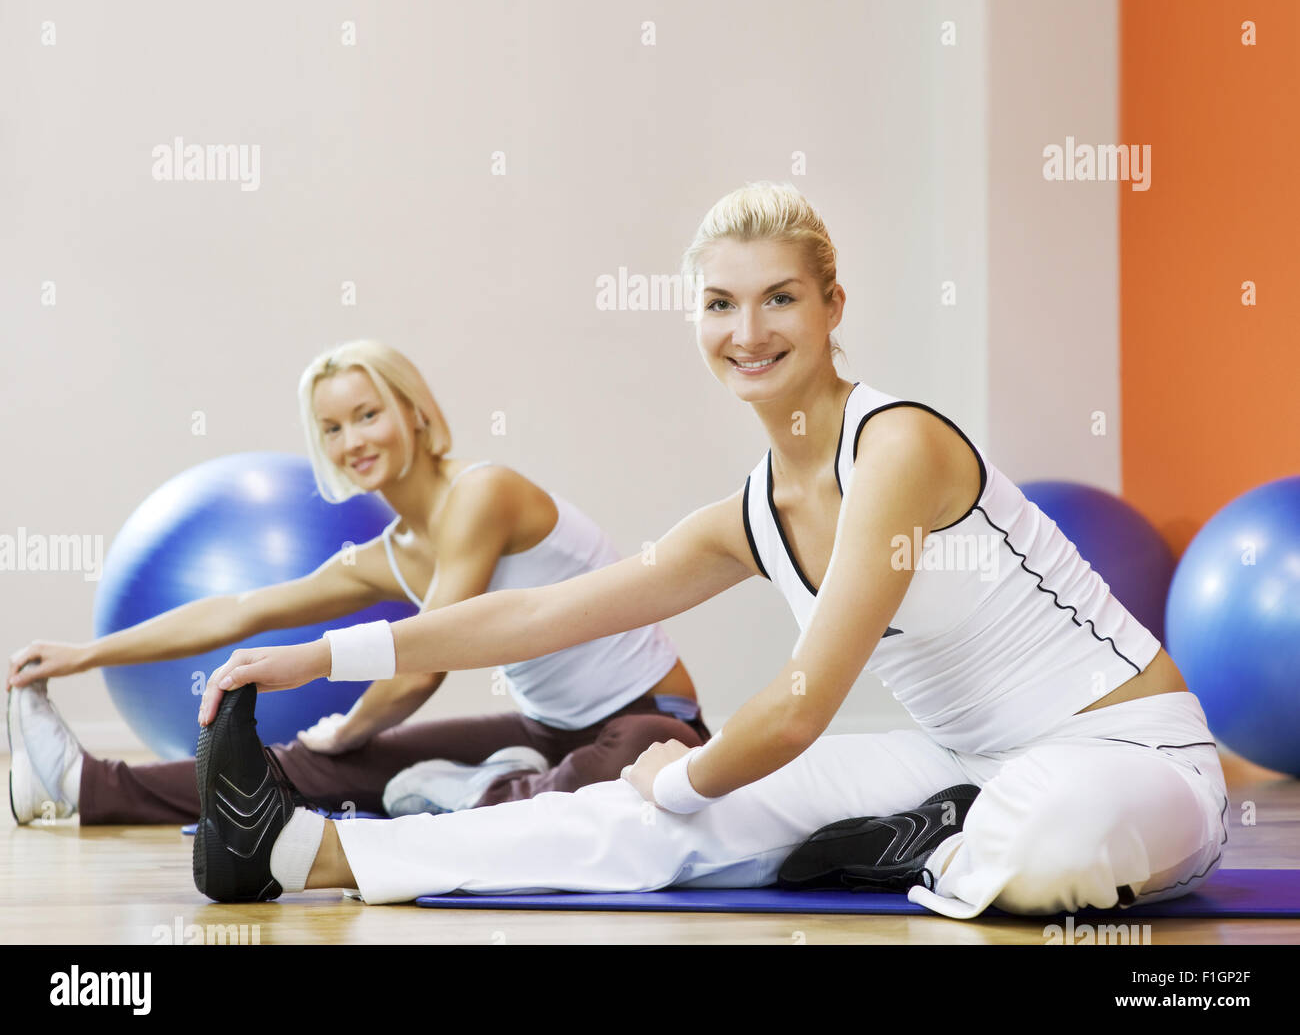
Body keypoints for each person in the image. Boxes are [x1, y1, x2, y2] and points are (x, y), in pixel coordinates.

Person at [191, 186, 1227, 920]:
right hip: (958, 763)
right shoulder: (749, 512)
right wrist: (322, 656)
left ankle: (938, 843)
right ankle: (306, 848)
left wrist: (682, 778)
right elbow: (540, 613)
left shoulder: (899, 442)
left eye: (779, 296)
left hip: (1122, 756)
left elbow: (799, 705)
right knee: (637, 815)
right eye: (720, 302)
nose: (748, 329)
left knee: (1044, 838)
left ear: (832, 307)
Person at [6, 340, 708, 827]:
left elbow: (424, 662)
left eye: (368, 414)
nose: (353, 441)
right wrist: (85, 654)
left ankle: (484, 792)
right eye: (333, 428)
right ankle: (82, 786)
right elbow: (239, 610)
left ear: (415, 411)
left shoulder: (484, 493)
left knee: (621, 776)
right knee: (306, 765)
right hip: (547, 731)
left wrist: (348, 729)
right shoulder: (385, 555)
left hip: (652, 718)